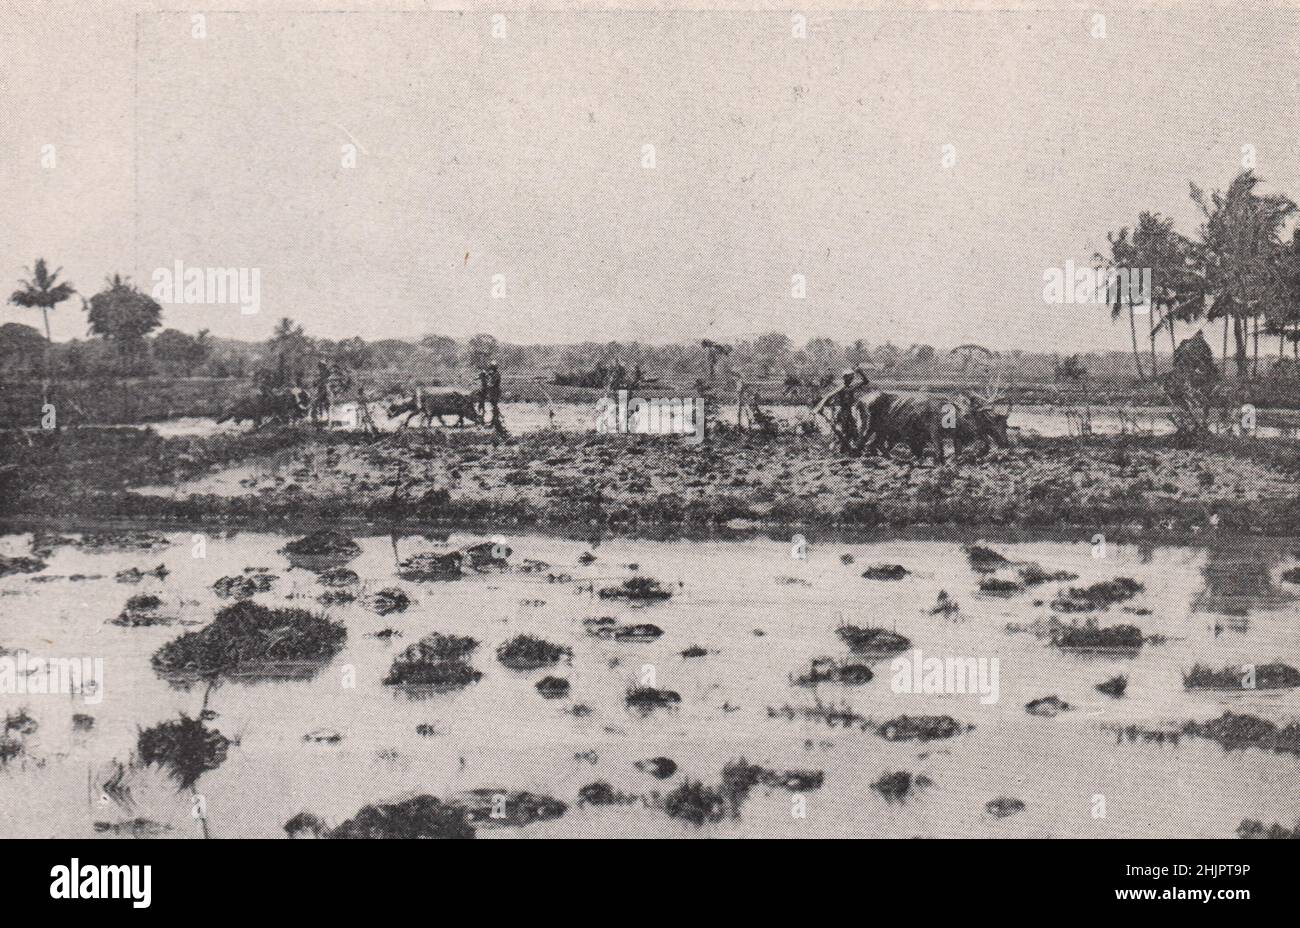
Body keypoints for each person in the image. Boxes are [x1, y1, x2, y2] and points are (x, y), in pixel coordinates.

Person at [830, 368, 869, 453]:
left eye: (852, 377)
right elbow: (833, 400)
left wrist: (860, 372)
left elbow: (866, 381)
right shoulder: (841, 388)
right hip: (843, 412)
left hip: (849, 411)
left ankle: (849, 449)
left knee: (852, 431)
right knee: (847, 431)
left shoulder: (851, 387)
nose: (851, 379)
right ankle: (845, 449)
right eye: (849, 377)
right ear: (845, 378)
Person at [486, 360, 504, 432]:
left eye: (491, 367)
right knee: (494, 407)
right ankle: (494, 421)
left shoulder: (496, 374)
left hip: (495, 392)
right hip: (494, 391)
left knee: (494, 407)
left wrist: (488, 385)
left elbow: (493, 384)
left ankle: (495, 422)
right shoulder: (495, 374)